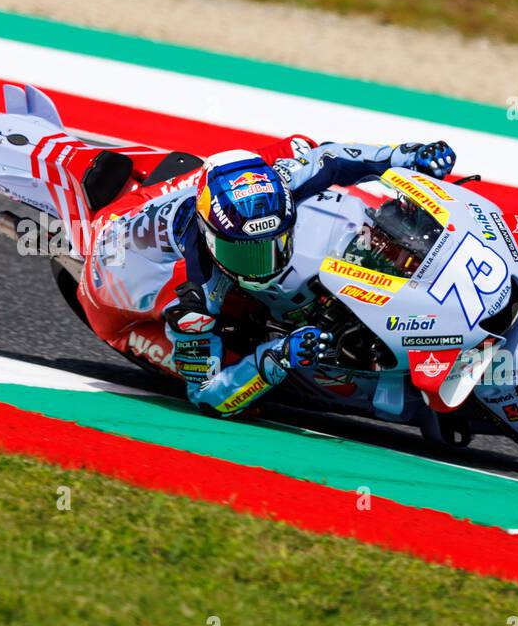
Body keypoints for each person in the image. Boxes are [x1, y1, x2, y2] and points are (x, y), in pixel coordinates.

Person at [80, 136, 455, 416]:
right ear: (213, 239)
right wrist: (279, 356)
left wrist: (407, 155)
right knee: (251, 404)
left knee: (298, 146)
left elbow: (333, 158)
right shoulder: (193, 301)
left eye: (272, 245)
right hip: (117, 308)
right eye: (245, 253)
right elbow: (210, 395)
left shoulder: (279, 182)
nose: (264, 264)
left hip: (164, 200)